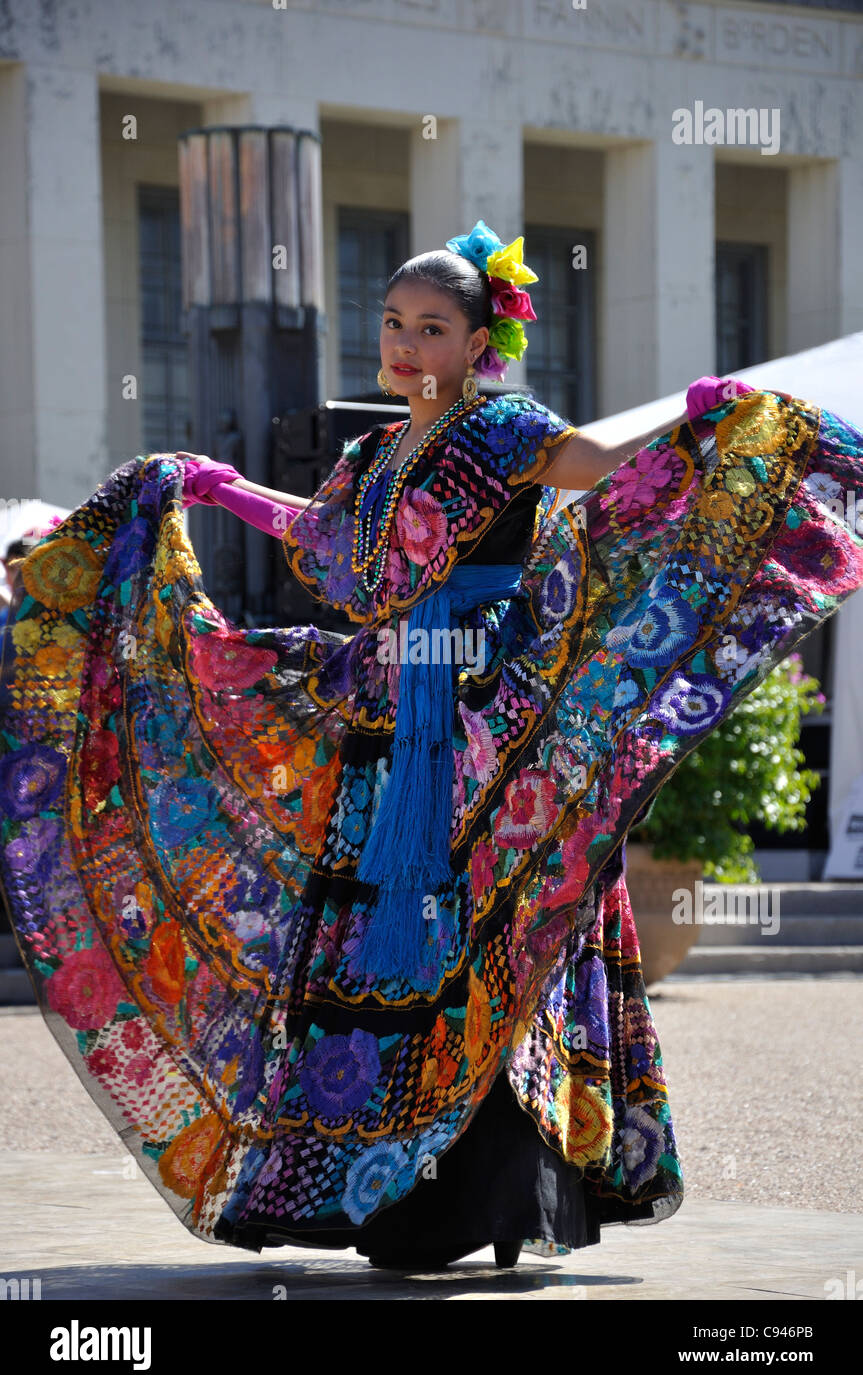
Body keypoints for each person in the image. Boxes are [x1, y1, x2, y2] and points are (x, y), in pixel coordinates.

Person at [1, 220, 861, 1277]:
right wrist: (220, 489)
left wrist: (691, 421)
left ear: (476, 342)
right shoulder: (370, 455)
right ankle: (392, 1199)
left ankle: (485, 1195)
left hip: (480, 708)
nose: (407, 344)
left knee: (483, 928)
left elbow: (600, 468)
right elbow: (323, 539)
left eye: (432, 328)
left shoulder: (502, 430)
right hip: (385, 706)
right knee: (375, 940)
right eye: (394, 323)